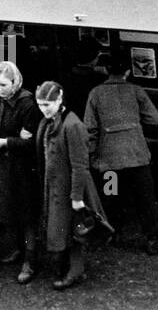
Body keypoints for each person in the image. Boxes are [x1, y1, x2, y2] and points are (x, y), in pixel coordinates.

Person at [84, 48, 158, 255]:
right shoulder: (136, 90)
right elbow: (154, 118)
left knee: (112, 196)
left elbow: (90, 128)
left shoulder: (95, 93)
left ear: (106, 70)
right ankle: (152, 239)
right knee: (145, 197)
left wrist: (93, 155)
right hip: (136, 156)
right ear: (128, 72)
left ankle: (114, 233)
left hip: (109, 159)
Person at [33, 80, 111, 291]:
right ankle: (68, 267)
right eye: (40, 105)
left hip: (70, 189)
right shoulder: (49, 122)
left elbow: (80, 166)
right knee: (61, 229)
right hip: (55, 188)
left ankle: (75, 271)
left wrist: (77, 197)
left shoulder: (72, 125)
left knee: (74, 231)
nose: (44, 110)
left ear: (59, 99)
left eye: (47, 105)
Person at [0, 61, 40, 278]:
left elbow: (30, 143)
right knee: (5, 209)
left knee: (26, 213)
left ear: (15, 82)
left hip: (20, 169)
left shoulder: (27, 104)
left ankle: (29, 261)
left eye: (3, 85)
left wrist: (4, 142)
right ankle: (15, 249)